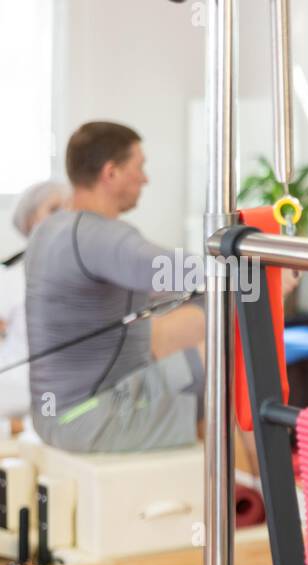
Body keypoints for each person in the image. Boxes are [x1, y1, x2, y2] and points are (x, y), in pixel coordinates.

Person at [24, 121, 207, 453]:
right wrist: (258, 271)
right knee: (225, 366)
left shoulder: (49, 229)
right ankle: (257, 497)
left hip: (52, 414)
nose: (145, 178)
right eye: (139, 167)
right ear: (111, 173)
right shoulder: (99, 236)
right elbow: (189, 272)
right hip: (94, 418)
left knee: (200, 325)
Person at [0, 180, 69, 424]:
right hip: (16, 387)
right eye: (53, 209)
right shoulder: (10, 277)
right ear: (29, 220)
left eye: (67, 207)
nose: (63, 215)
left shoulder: (81, 269)